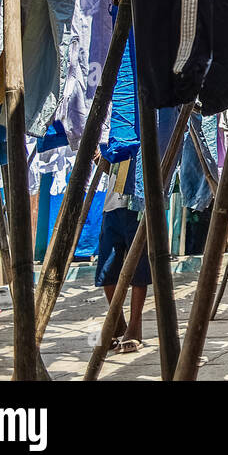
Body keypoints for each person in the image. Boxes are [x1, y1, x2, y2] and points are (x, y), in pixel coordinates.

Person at [94, 147, 149, 355]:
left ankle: (135, 326)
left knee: (139, 270)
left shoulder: (142, 128)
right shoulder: (115, 129)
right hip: (112, 206)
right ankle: (118, 321)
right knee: (106, 271)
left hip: (138, 206)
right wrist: (100, 159)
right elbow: (114, 170)